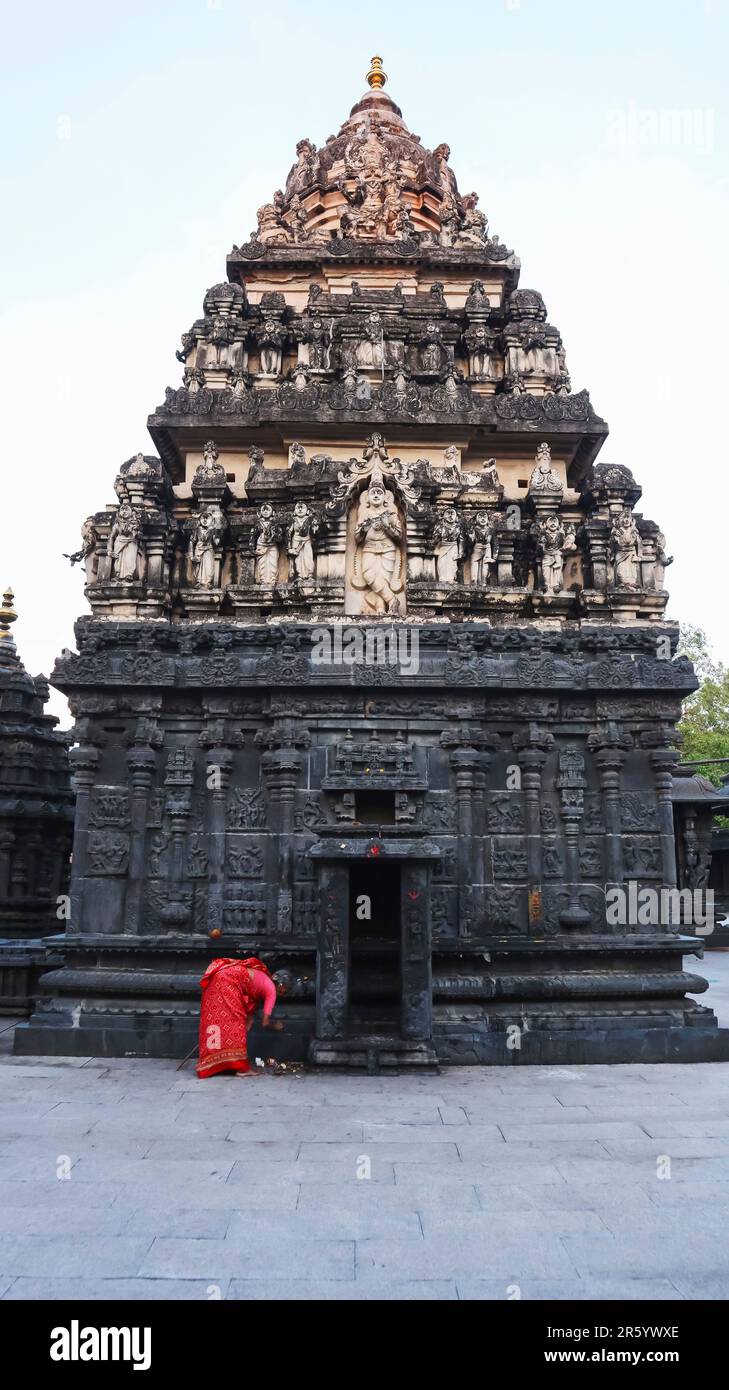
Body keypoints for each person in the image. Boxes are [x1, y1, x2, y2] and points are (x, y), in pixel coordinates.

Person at [196, 957, 291, 1079]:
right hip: (227, 981)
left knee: (218, 1020)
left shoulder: (265, 980)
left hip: (220, 977)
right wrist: (276, 1026)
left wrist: (250, 1020)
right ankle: (242, 1068)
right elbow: (265, 1023)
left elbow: (251, 994)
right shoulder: (271, 990)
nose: (285, 993)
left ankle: (215, 1064)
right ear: (281, 985)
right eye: (286, 990)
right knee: (236, 1022)